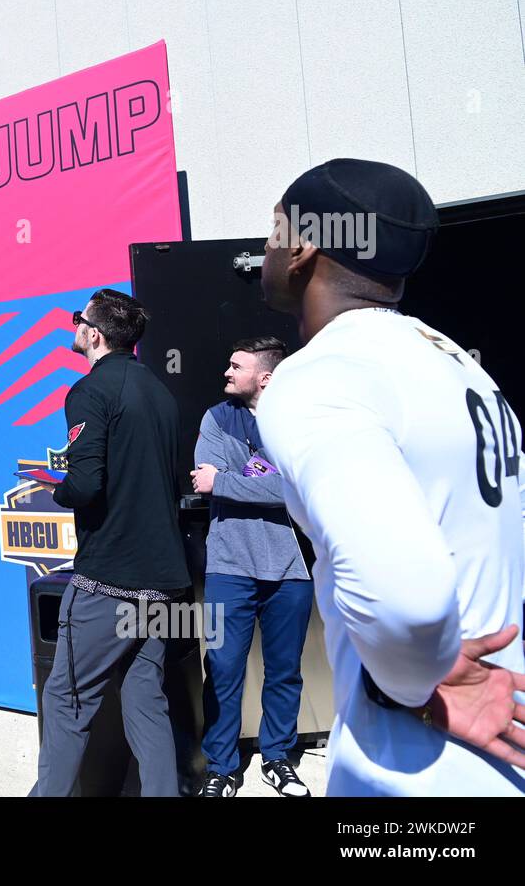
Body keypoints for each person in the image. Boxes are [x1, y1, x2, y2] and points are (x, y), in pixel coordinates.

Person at [257, 158, 525, 795]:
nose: (262, 250)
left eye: (272, 232)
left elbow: (406, 594)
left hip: (413, 768)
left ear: (302, 247)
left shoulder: (320, 377)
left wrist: (411, 688)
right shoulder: (461, 369)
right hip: (496, 750)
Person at [31, 288, 190, 797]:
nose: (74, 327)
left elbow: (85, 486)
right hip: (165, 581)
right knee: (145, 696)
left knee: (66, 700)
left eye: (79, 320)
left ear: (93, 334)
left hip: (109, 579)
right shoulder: (160, 393)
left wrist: (53, 486)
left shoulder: (89, 392)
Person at [191, 337, 313, 797]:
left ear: (264, 377)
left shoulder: (299, 422)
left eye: (235, 365)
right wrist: (233, 481)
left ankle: (278, 758)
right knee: (223, 669)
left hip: (291, 570)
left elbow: (299, 488)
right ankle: (221, 768)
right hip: (229, 566)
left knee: (285, 670)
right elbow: (205, 481)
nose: (226, 371)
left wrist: (228, 479)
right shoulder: (217, 418)